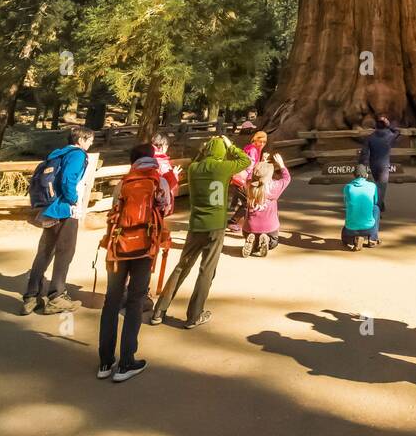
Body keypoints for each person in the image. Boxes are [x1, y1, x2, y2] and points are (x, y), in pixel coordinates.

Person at [151, 133, 249, 328]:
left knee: (182, 266)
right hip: (216, 225)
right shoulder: (223, 167)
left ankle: (159, 311)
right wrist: (230, 145)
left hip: (196, 224)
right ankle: (194, 314)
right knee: (207, 270)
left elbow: (198, 159)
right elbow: (245, 160)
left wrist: (205, 149)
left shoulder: (194, 168)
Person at [97, 142, 173, 382]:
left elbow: (114, 210)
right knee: (135, 300)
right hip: (144, 246)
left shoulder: (123, 182)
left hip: (118, 247)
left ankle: (105, 362)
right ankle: (126, 361)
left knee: (111, 300)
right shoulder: (158, 181)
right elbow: (167, 208)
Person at [22, 127, 95, 315]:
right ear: (81, 140)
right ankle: (57, 296)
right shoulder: (78, 155)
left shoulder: (57, 154)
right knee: (65, 252)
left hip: (49, 208)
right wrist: (73, 201)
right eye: (89, 140)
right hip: (64, 210)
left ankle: (31, 296)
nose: (90, 144)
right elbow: (68, 179)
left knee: (45, 250)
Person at [242, 151, 291, 257]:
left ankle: (252, 241)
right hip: (270, 228)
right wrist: (281, 165)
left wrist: (260, 163)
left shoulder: (250, 187)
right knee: (274, 243)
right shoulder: (274, 188)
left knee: (251, 235)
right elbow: (287, 179)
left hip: (249, 228)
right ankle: (267, 239)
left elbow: (250, 176)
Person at [227, 128, 267, 232]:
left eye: (264, 142)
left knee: (247, 202)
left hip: (241, 179)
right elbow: (250, 167)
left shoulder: (253, 148)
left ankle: (245, 223)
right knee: (248, 202)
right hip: (242, 179)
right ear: (255, 139)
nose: (262, 143)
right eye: (260, 141)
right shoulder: (253, 149)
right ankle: (233, 222)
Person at [358, 115, 400, 213]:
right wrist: (389, 126)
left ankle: (380, 204)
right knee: (382, 186)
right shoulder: (390, 136)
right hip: (384, 165)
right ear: (385, 125)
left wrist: (361, 164)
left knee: (377, 185)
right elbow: (398, 132)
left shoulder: (370, 137)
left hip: (373, 164)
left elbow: (364, 152)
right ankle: (377, 208)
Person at [341, 164, 380, 250]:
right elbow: (375, 201)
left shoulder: (348, 187)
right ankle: (373, 239)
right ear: (366, 175)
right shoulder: (372, 186)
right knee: (376, 208)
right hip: (370, 228)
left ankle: (354, 239)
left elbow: (346, 203)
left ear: (354, 176)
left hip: (350, 229)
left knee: (345, 236)